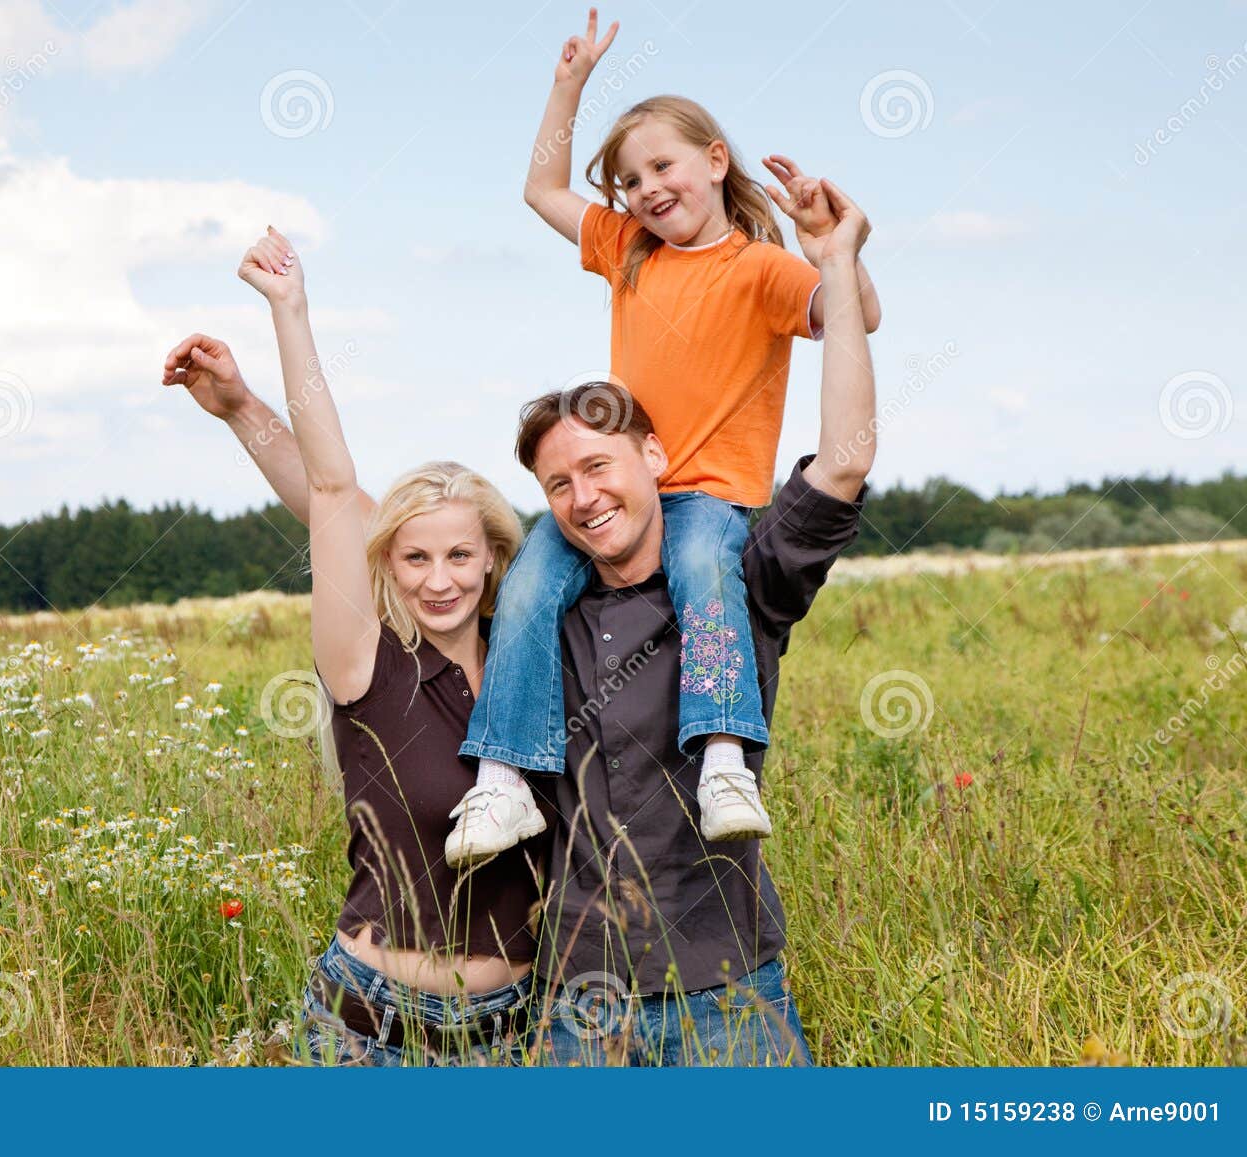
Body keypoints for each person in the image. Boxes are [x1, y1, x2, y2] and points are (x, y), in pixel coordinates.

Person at [447, 8, 882, 867]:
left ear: (715, 161)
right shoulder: (630, 250)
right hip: (616, 487)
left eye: (661, 166)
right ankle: (502, 779)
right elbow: (542, 190)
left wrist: (835, 252)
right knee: (528, 582)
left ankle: (723, 760)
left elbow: (858, 315)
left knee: (703, 579)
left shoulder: (759, 268)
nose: (644, 189)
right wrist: (568, 84)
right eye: (628, 179)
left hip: (707, 494)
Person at [161, 229, 546, 1066]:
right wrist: (288, 310)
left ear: (494, 557)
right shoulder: (366, 665)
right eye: (414, 558)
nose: (438, 580)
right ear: (388, 566)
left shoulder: (534, 670)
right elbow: (333, 489)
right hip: (370, 1028)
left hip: (516, 1031)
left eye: (459, 555)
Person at [525, 175, 877, 1064]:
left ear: (653, 454)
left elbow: (843, 462)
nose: (584, 496)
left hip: (727, 993)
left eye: (599, 467)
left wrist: (835, 264)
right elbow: (369, 525)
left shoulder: (741, 582)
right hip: (577, 1000)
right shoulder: (536, 615)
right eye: (559, 483)